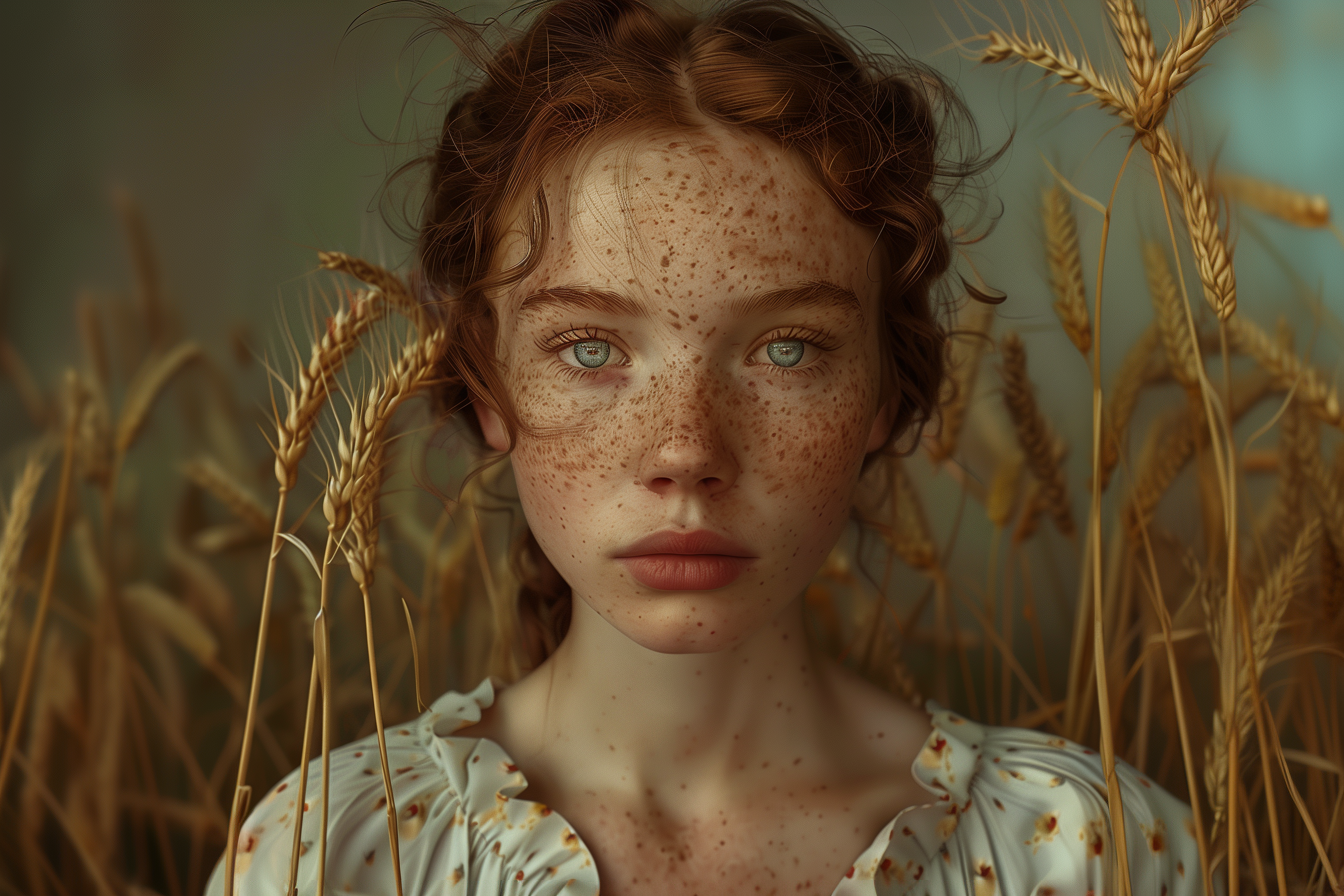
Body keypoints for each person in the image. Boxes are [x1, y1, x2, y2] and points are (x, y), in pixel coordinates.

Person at [208, 0, 1207, 892]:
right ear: (485, 383)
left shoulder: (1079, 851)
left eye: (786, 348)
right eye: (591, 347)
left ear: (882, 389)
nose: (685, 450)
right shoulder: (334, 855)